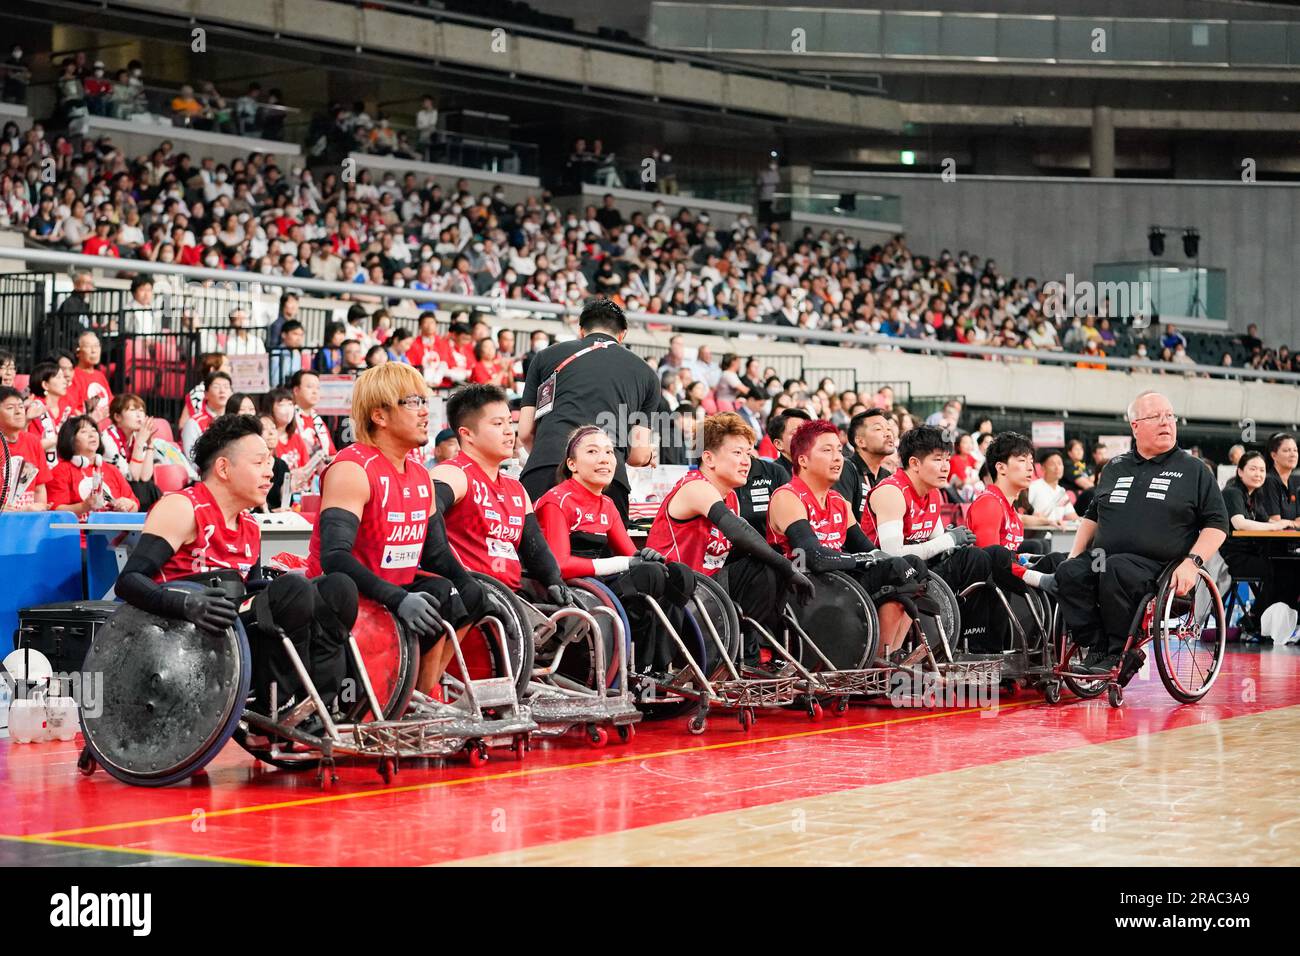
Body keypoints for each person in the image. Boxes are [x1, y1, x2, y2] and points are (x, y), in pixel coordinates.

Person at [116, 414, 357, 725]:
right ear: (224, 468)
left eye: (270, 462)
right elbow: (129, 581)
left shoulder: (250, 526)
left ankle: (320, 703)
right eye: (259, 463)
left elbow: (254, 592)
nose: (270, 472)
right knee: (294, 591)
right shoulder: (183, 508)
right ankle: (275, 706)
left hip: (236, 636)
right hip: (183, 641)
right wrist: (187, 603)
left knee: (337, 588)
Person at [308, 364, 486, 696]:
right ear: (380, 415)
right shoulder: (352, 468)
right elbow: (334, 558)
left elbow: (436, 554)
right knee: (433, 595)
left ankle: (422, 691)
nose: (425, 413)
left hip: (393, 590)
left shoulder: (420, 475)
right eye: (413, 402)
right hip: (342, 598)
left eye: (425, 402)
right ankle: (396, 695)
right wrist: (399, 598)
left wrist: (470, 588)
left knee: (460, 592)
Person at [1055, 391, 1228, 674]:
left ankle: (1119, 653)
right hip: (1105, 560)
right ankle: (1097, 647)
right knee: (1068, 572)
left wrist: (1192, 563)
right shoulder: (1114, 467)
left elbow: (1217, 525)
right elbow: (1092, 515)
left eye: (1170, 416)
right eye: (1156, 416)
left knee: (1115, 568)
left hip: (1159, 570)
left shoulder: (1194, 470)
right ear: (1135, 426)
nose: (1166, 422)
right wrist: (1075, 554)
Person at [646, 412, 814, 663]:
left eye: (748, 453)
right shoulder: (696, 487)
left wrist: (783, 568)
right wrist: (786, 567)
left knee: (768, 567)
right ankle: (740, 647)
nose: (747, 460)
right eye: (737, 453)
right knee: (773, 564)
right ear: (709, 458)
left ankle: (751, 646)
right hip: (674, 592)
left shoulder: (731, 497)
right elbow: (740, 533)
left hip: (708, 589)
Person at [535, 425, 696, 676]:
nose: (604, 459)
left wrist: (648, 557)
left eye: (609, 452)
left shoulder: (607, 504)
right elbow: (560, 565)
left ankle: (662, 664)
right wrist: (628, 564)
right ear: (572, 464)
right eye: (592, 451)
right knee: (649, 577)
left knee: (679, 575)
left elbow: (631, 555)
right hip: (572, 589)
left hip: (601, 585)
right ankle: (639, 668)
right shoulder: (557, 500)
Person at [766, 420, 924, 658]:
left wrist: (870, 559)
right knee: (894, 569)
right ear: (803, 460)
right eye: (827, 450)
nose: (838, 458)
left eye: (839, 450)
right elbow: (814, 557)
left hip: (840, 585)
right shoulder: (788, 497)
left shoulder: (839, 502)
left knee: (911, 566)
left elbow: (871, 551)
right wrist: (864, 559)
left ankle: (889, 655)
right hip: (804, 592)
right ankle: (882, 660)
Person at [430, 384, 575, 612]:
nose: (509, 431)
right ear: (467, 435)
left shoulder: (516, 488)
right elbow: (426, 517)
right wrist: (459, 578)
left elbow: (535, 548)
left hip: (511, 597)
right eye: (498, 424)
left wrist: (553, 580)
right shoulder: (452, 474)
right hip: (469, 598)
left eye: (510, 422)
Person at [518, 298, 658, 524]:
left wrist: (556, 455)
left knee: (536, 556)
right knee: (605, 558)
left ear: (581, 330)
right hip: (607, 479)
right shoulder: (647, 374)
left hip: (545, 468)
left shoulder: (545, 357)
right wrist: (649, 456)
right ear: (622, 334)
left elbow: (525, 432)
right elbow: (638, 455)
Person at [865, 425, 998, 650]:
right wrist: (949, 540)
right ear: (915, 463)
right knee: (973, 559)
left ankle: (975, 642)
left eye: (947, 459)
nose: (946, 467)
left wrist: (955, 543)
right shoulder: (892, 492)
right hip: (886, 577)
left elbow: (940, 545)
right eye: (938, 460)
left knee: (986, 556)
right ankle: (970, 644)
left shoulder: (932, 493)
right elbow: (892, 555)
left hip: (920, 571)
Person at [965, 432, 1059, 590]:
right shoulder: (989, 504)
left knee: (1056, 561)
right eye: (1022, 461)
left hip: (1007, 585)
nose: (1030, 468)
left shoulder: (1009, 508)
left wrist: (1028, 560)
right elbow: (990, 562)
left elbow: (1009, 558)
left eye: (1031, 461)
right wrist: (1037, 576)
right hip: (989, 594)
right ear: (1001, 468)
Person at [1220, 450, 1298, 641]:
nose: (1258, 474)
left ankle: (1272, 621)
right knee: (1276, 570)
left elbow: (1267, 524)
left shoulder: (1255, 497)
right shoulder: (1232, 493)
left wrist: (1288, 524)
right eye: (1253, 469)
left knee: (1293, 567)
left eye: (1262, 470)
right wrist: (1277, 525)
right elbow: (1240, 523)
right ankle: (1255, 621)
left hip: (1254, 553)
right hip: (1233, 557)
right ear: (1240, 471)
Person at [46, 415, 138, 517]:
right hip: (78, 532)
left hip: (113, 531)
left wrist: (129, 504)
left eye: (94, 430)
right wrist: (84, 506)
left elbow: (134, 504)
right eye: (84, 432)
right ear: (71, 439)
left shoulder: (111, 470)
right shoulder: (60, 471)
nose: (92, 435)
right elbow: (55, 510)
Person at [100, 393, 162, 510]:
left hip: (129, 487)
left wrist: (150, 444)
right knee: (141, 490)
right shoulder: (107, 439)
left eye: (141, 410)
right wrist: (140, 443)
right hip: (109, 489)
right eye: (133, 410)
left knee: (149, 487)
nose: (139, 415)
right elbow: (131, 476)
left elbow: (145, 477)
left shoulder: (137, 437)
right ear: (117, 417)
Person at [833, 408, 895, 523]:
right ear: (861, 442)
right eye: (878, 428)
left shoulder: (886, 476)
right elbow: (844, 521)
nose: (888, 434)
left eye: (889, 429)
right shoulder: (845, 469)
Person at [0, 385, 51, 511]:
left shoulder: (33, 441)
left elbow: (39, 489)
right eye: (10, 408)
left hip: (28, 521)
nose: (18, 412)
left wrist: (38, 507)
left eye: (21, 407)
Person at [26, 361, 75, 469]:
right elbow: (33, 446)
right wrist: (60, 438)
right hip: (40, 469)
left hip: (64, 469)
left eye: (63, 377)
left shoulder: (67, 407)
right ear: (45, 385)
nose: (65, 381)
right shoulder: (35, 409)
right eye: (58, 377)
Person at [181, 371, 232, 461]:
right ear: (206, 394)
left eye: (226, 387)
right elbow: (191, 459)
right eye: (216, 386)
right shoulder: (194, 423)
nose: (222, 391)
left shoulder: (234, 420)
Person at [290, 369, 336, 459]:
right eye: (310, 387)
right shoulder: (288, 419)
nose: (315, 391)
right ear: (296, 390)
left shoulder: (318, 422)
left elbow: (331, 453)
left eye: (318, 388)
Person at [68, 330, 112, 422]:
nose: (94, 350)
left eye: (97, 346)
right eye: (88, 346)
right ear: (78, 352)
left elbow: (111, 403)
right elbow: (73, 410)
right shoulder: (73, 375)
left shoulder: (100, 375)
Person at [1027, 449, 1079, 524]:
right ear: (1043, 468)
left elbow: (1073, 517)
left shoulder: (1062, 492)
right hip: (1037, 533)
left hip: (1057, 533)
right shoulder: (1034, 487)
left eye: (1060, 464)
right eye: (1052, 464)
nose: (1057, 467)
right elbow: (1022, 513)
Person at [1260, 431, 1300, 527]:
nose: (1293, 454)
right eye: (1286, 450)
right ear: (1274, 455)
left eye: (1295, 450)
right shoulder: (1269, 481)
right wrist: (1293, 523)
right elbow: (1276, 523)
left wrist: (1291, 523)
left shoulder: (1294, 481)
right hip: (1275, 540)